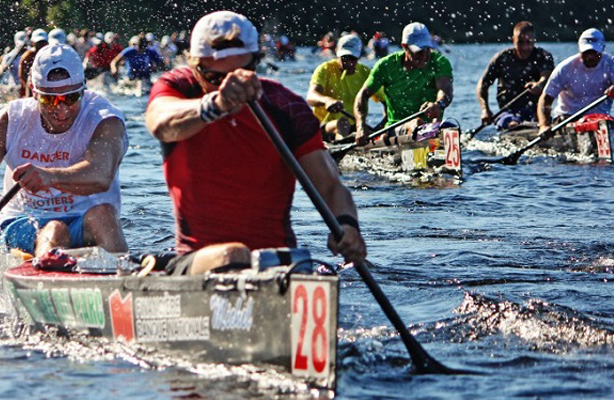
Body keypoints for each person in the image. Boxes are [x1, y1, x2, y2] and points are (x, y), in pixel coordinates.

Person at [144, 11, 366, 275]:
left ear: (255, 63)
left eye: (242, 72)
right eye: (216, 78)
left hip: (275, 264)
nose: (230, 84)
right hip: (198, 261)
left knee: (303, 265)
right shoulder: (179, 87)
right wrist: (216, 104)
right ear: (194, 66)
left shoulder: (286, 107)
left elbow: (330, 187)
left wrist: (348, 225)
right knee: (233, 254)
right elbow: (160, 122)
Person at [0, 44, 129, 278]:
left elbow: (100, 176)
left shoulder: (105, 119)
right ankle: (46, 286)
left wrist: (49, 176)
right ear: (34, 92)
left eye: (71, 97)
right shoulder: (12, 119)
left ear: (84, 89)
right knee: (56, 230)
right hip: (23, 220)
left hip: (85, 220)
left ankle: (125, 284)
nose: (62, 110)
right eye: (50, 100)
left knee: (105, 215)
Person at [354, 22, 453, 143]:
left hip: (431, 127)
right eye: (418, 51)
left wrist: (439, 104)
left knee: (449, 126)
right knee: (415, 123)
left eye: (427, 49)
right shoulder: (386, 66)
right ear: (404, 46)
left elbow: (445, 90)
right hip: (395, 128)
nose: (424, 56)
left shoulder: (439, 62)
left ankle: (434, 142)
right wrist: (360, 126)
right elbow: (362, 95)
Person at [538, 28, 614, 134]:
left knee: (608, 122)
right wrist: (544, 125)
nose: (590, 57)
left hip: (599, 119)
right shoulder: (565, 68)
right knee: (570, 122)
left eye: (594, 53)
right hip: (568, 118)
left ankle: (600, 142)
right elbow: (546, 98)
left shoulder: (613, 64)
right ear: (579, 50)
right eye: (586, 53)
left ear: (602, 49)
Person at [477, 22, 555, 130]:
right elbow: (482, 85)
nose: (525, 47)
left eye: (528, 42)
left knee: (538, 121)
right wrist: (485, 110)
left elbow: (546, 77)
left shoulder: (543, 57)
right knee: (511, 123)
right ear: (513, 40)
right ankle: (515, 128)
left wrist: (539, 85)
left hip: (537, 111)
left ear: (534, 41)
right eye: (520, 42)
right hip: (508, 112)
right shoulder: (502, 58)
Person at [307, 34, 385, 141]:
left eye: (352, 59)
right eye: (344, 58)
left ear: (359, 57)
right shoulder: (325, 69)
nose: (348, 63)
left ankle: (350, 140)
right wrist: (327, 101)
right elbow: (311, 96)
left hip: (354, 128)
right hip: (325, 127)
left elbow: (387, 103)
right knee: (343, 122)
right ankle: (341, 145)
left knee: (350, 126)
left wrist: (379, 130)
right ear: (337, 53)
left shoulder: (364, 72)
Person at [18, 29, 50, 97]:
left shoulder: (50, 55)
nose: (41, 45)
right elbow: (22, 76)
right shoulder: (27, 56)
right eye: (39, 43)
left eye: (43, 42)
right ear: (33, 43)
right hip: (29, 88)